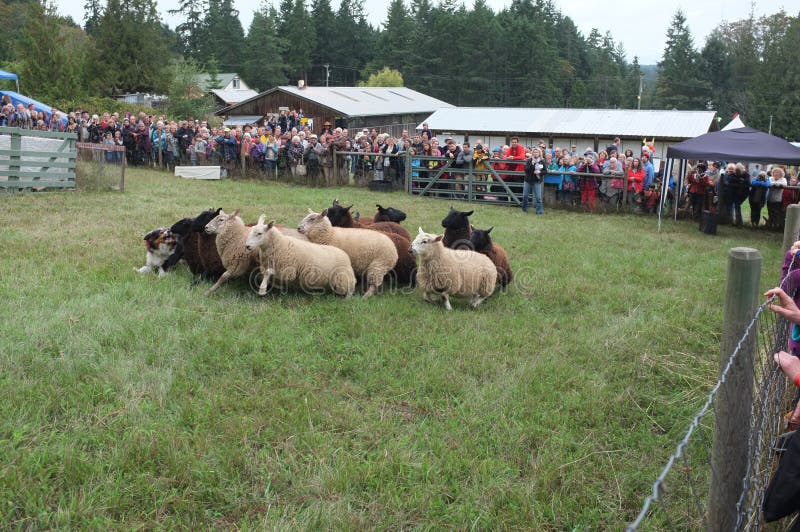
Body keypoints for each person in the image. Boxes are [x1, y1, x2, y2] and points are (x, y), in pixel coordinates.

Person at [522, 147, 545, 214]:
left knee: (538, 197)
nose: (535, 153)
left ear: (539, 153)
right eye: (534, 152)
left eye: (537, 152)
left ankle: (539, 211)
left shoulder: (542, 161)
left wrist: (539, 172)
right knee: (525, 196)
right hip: (528, 180)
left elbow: (545, 171)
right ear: (532, 153)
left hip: (537, 181)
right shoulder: (529, 160)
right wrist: (532, 165)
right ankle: (524, 210)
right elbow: (526, 170)